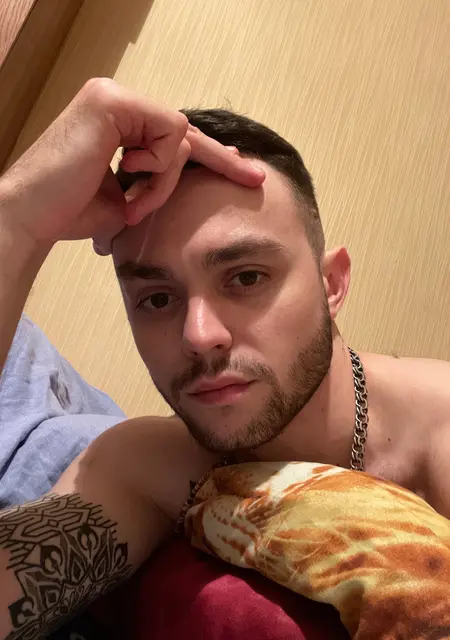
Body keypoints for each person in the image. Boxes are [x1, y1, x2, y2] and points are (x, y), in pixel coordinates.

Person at [0, 77, 449, 638]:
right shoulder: (147, 465)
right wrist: (17, 219)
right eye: (157, 299)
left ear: (332, 284)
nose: (199, 335)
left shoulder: (438, 436)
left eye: (247, 277)